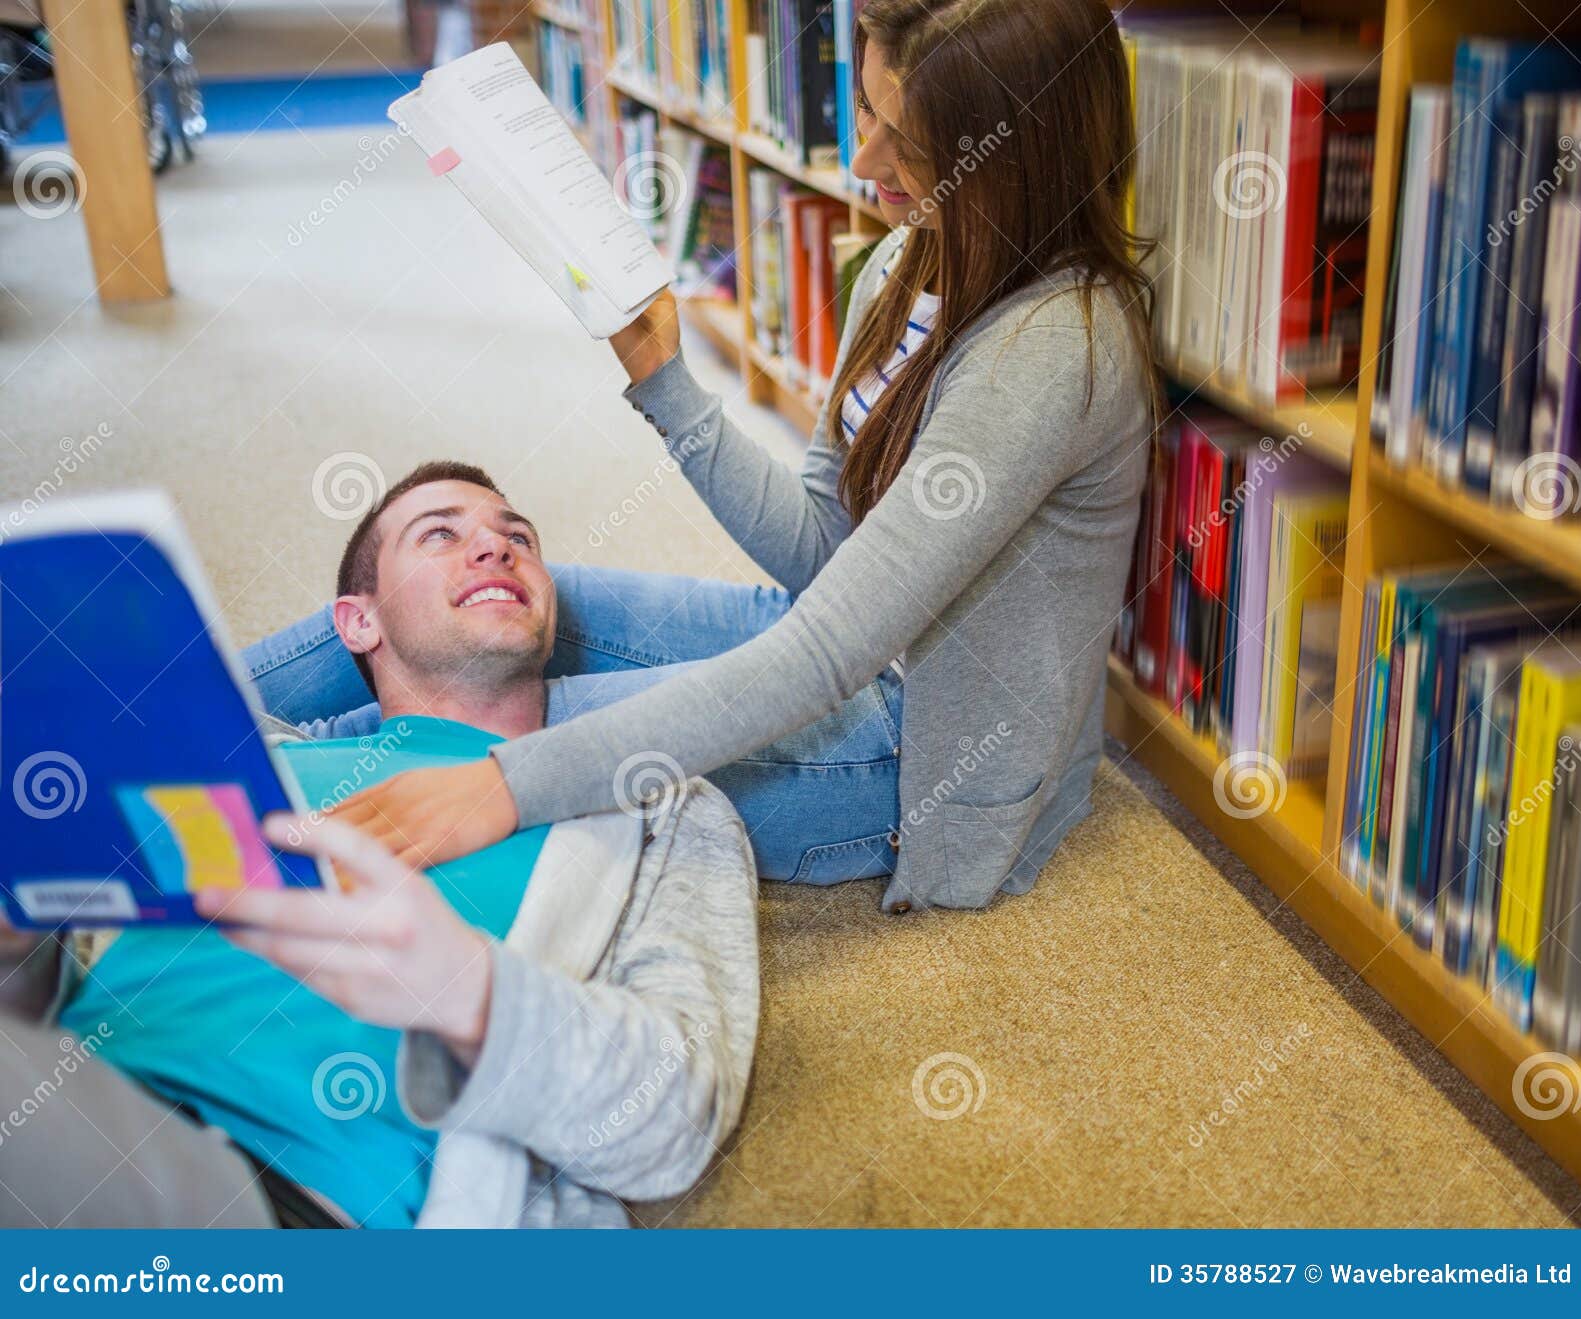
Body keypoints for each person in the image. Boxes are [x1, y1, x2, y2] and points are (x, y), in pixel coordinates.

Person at [245, 0, 1161, 914]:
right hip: (852, 645)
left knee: (499, 718)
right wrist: (663, 378)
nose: (863, 160)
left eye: (906, 141)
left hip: (920, 750)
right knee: (483, 606)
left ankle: (244, 797)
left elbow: (824, 654)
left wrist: (506, 784)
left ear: (1006, 158)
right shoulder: (903, 265)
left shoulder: (1054, 349)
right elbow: (820, 550)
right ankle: (161, 719)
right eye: (869, 111)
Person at [0, 465, 758, 1229]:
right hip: (78, 1095)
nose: (495, 546)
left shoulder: (651, 808)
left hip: (277, 1206)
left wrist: (469, 991)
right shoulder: (252, 763)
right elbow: (66, 983)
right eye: (441, 533)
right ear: (358, 622)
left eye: (517, 535)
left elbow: (676, 1117)